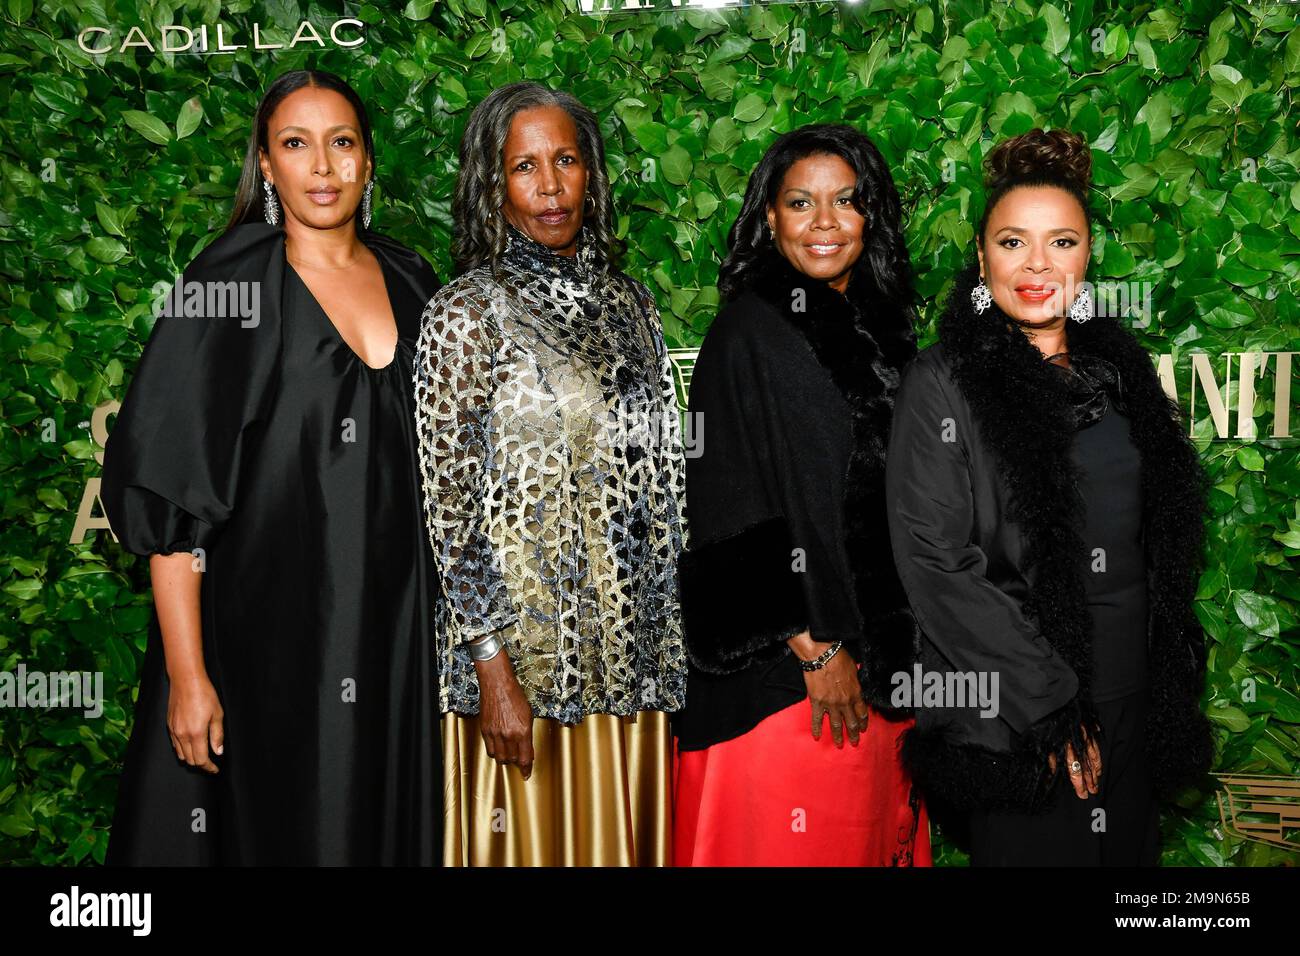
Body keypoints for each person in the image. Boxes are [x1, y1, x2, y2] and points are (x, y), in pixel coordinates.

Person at [101, 70, 442, 865]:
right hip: (270, 641)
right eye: (296, 144)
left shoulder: (415, 280)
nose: (321, 166)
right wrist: (189, 679)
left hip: (401, 638)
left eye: (342, 142)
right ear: (266, 164)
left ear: (368, 161)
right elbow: (175, 501)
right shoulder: (226, 288)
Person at [887, 128, 1214, 866]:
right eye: (1013, 242)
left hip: (1133, 697)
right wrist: (1050, 705)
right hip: (1026, 712)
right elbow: (936, 563)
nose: (1038, 264)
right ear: (981, 258)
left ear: (1088, 255)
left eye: (1061, 241)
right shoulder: (943, 382)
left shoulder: (1118, 375)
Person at [414, 81, 686, 866]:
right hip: (523, 676)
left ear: (591, 173)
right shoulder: (466, 311)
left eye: (565, 160)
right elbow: (450, 508)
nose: (550, 185)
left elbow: (659, 492)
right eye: (524, 166)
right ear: (490, 186)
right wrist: (492, 668)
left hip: (630, 669)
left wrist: (665, 650)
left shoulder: (631, 303)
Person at [671, 124, 931, 866]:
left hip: (883, 674)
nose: (824, 222)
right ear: (769, 218)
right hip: (792, 684)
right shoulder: (743, 334)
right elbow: (723, 508)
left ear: (871, 214)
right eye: (799, 203)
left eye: (845, 201)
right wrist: (817, 653)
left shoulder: (889, 334)